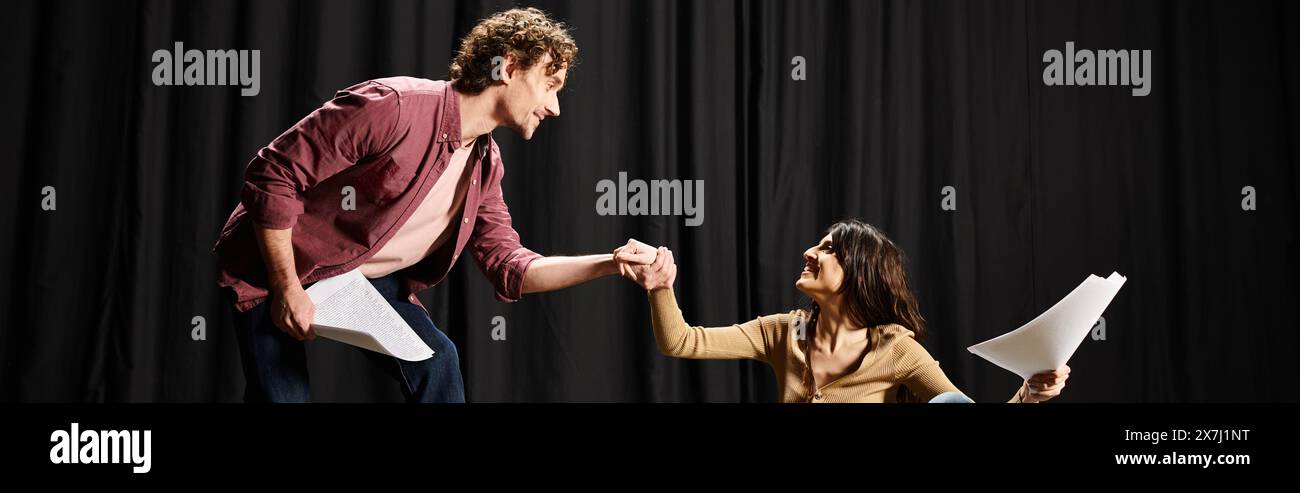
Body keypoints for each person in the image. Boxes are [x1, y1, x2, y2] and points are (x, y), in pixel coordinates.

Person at [214, 8, 637, 402]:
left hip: (360, 277)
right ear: (508, 67)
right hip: (279, 264)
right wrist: (287, 287)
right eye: (550, 85)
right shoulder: (394, 106)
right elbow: (273, 175)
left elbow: (511, 266)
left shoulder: (484, 167)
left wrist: (612, 263)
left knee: (439, 362)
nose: (554, 107)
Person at [614, 219, 1071, 403]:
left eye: (829, 249)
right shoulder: (781, 333)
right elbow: (681, 341)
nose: (810, 251)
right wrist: (661, 286)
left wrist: (1028, 395)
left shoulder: (898, 350)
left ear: (858, 272)